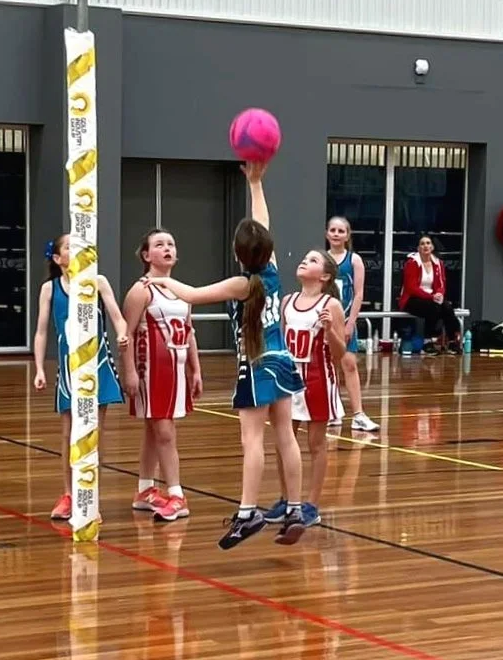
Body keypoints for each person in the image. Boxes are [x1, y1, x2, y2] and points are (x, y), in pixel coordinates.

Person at [147, 162, 305, 550]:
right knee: (285, 436)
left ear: (236, 252)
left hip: (257, 365)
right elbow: (262, 222)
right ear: (266, 250)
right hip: (284, 359)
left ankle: (248, 512)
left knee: (252, 439)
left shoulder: (242, 283)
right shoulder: (270, 271)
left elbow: (194, 295)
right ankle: (297, 508)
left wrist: (162, 279)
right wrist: (255, 183)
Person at [33, 233, 127, 520]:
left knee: (92, 435)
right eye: (68, 247)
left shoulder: (98, 282)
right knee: (68, 434)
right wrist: (39, 368)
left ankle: (90, 498)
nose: (74, 250)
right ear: (58, 258)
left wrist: (122, 333)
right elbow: (41, 331)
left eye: (78, 245)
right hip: (68, 372)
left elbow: (117, 317)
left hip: (98, 367)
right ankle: (69, 494)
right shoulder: (50, 289)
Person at [122, 229, 202, 522]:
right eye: (159, 244)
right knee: (164, 433)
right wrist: (129, 371)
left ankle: (145, 490)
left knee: (153, 432)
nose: (167, 248)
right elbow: (126, 334)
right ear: (147, 255)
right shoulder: (141, 290)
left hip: (176, 370)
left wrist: (196, 369)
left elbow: (190, 331)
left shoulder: (182, 289)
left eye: (171, 243)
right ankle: (177, 495)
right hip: (151, 370)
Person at [264, 250, 346, 528]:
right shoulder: (287, 301)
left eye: (312, 260)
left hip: (318, 379)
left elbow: (340, 352)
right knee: (283, 440)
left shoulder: (331, 304)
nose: (304, 261)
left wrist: (329, 330)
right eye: (305, 258)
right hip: (289, 379)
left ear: (324, 276)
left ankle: (311, 504)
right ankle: (287, 499)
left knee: (316, 443)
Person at [325, 217, 379, 431]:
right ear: (327, 233)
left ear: (348, 235)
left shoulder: (354, 260)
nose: (337, 234)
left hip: (345, 321)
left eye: (341, 231)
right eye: (333, 230)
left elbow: (358, 294)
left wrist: (350, 324)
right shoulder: (321, 259)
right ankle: (333, 411)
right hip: (325, 322)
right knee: (328, 367)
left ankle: (358, 414)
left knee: (349, 364)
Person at [398, 234, 461, 354]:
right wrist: (431, 297)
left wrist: (439, 294)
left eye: (428, 243)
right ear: (418, 248)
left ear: (432, 247)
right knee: (433, 308)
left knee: (446, 307)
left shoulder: (438, 263)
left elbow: (441, 283)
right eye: (422, 244)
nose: (425, 246)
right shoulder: (412, 263)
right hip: (412, 299)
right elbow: (411, 288)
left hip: (431, 298)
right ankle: (428, 341)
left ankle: (452, 340)